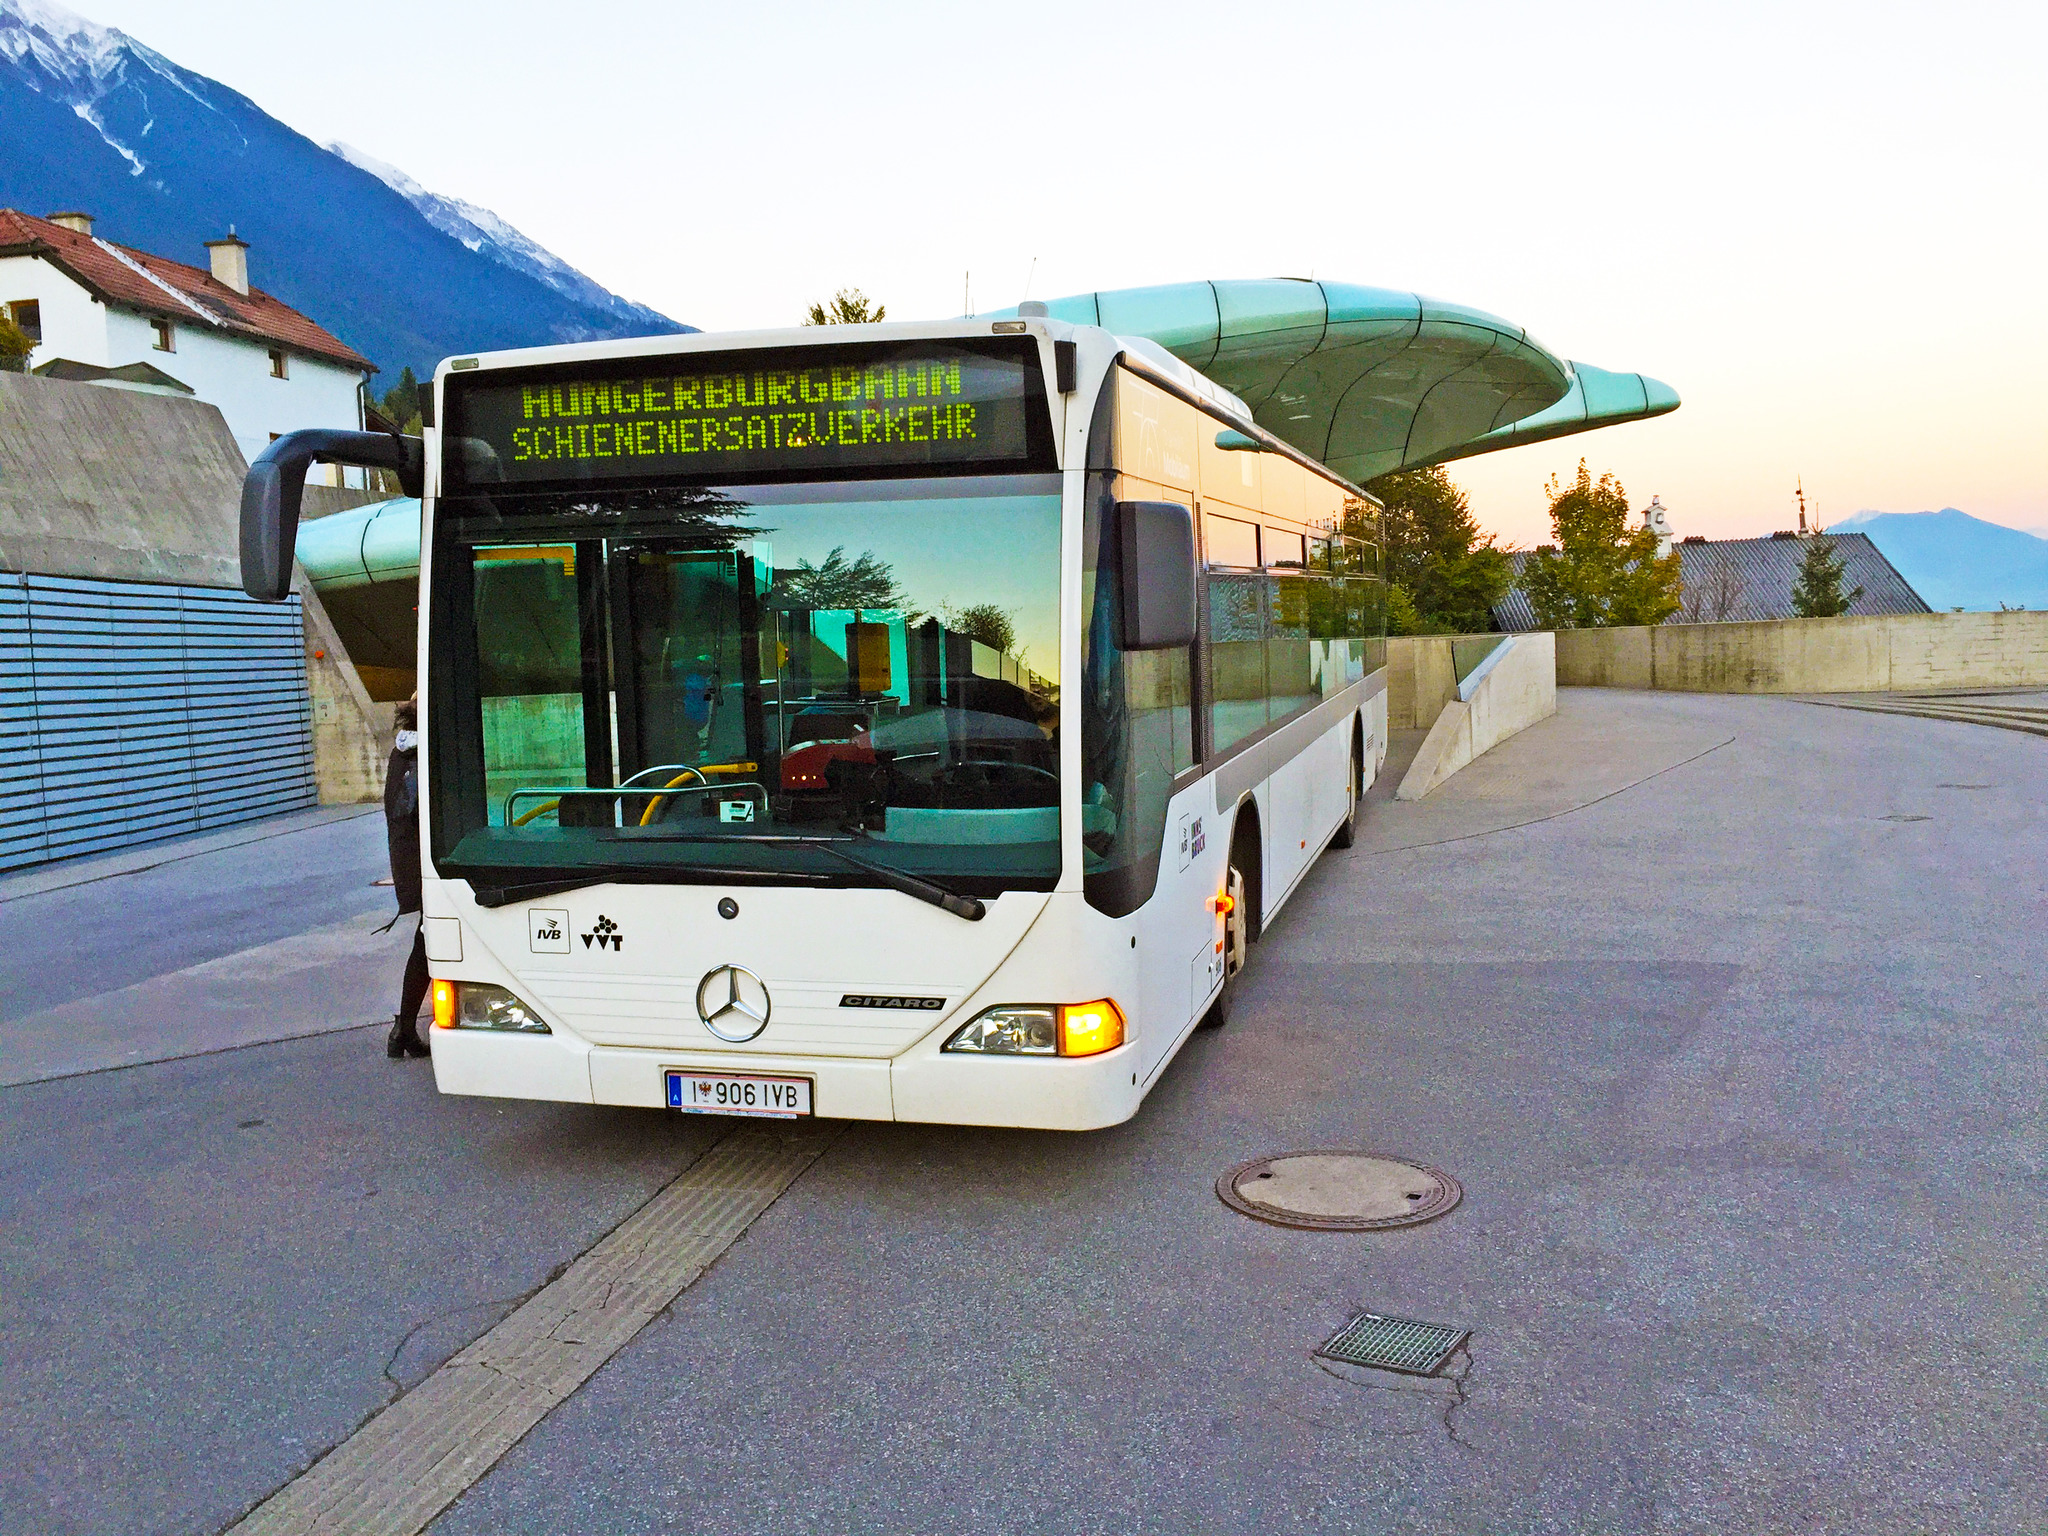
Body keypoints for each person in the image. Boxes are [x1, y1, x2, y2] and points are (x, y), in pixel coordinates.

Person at [385, 697, 429, 1059]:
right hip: (426, 864)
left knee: (427, 941)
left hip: (413, 864)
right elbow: (411, 814)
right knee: (429, 941)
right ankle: (404, 1028)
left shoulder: (403, 750)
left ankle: (404, 1029)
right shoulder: (419, 756)